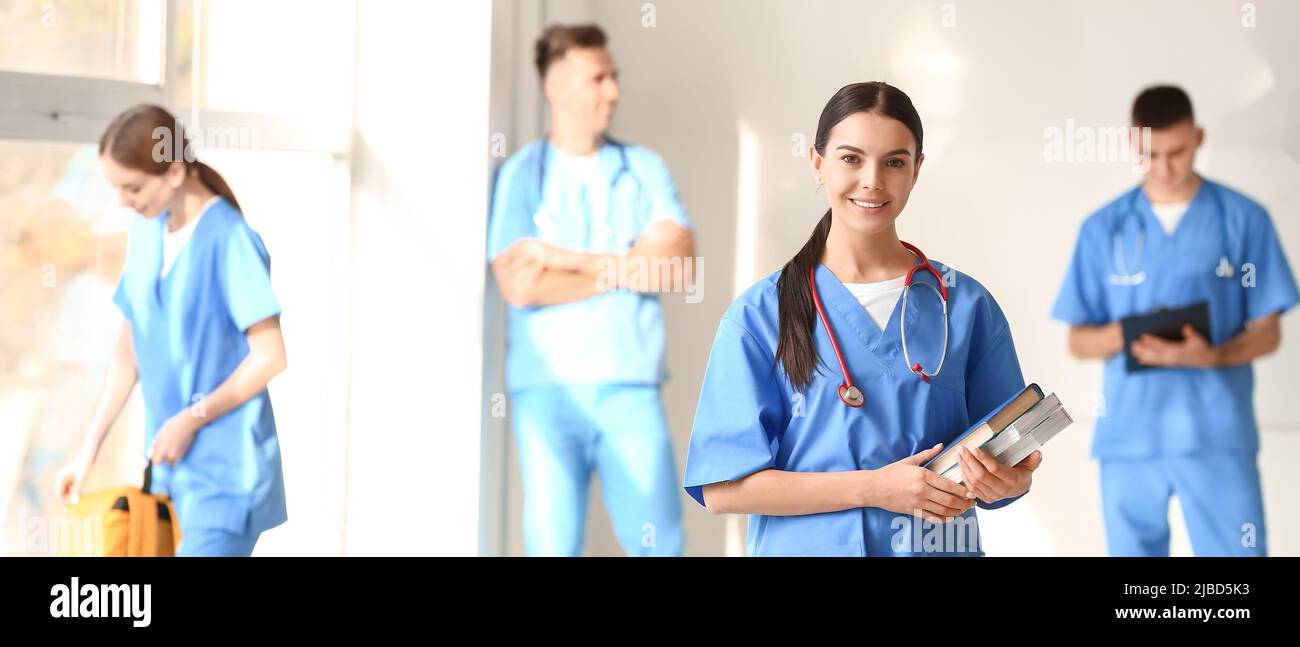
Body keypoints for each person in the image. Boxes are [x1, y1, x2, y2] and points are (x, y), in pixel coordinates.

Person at [683, 82, 1040, 557]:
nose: (872, 180)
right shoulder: (761, 314)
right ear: (817, 163)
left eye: (894, 162)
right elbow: (723, 489)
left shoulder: (966, 306)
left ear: (916, 171)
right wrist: (873, 488)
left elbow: (1006, 463)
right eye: (851, 158)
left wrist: (1007, 483)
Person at [1052, 85, 1298, 556]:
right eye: (1150, 154)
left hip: (1216, 433)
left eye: (1177, 152)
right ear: (1132, 144)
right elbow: (1078, 342)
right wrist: (1132, 334)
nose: (1163, 168)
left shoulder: (1244, 219)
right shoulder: (1103, 228)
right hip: (1129, 436)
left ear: (1199, 137)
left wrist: (1214, 355)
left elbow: (1269, 332)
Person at [486, 24, 694, 556]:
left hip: (629, 389)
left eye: (614, 77)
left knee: (659, 545)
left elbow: (676, 267)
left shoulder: (643, 169)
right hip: (546, 394)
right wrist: (629, 265)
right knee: (552, 548)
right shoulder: (521, 175)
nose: (613, 91)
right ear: (555, 88)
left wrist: (565, 259)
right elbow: (521, 284)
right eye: (599, 78)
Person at [54, 104, 289, 557]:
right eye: (116, 188)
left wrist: (190, 418)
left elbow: (270, 356)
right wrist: (88, 452)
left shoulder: (230, 239)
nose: (123, 200)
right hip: (168, 473)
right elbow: (129, 354)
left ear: (176, 171)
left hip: (226, 474)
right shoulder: (147, 230)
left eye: (133, 187)